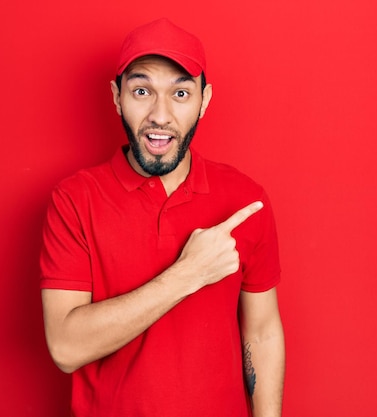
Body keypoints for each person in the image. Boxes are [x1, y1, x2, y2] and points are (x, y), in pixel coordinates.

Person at [40, 18, 285, 417]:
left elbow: (261, 330)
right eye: (141, 91)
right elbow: (66, 348)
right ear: (117, 98)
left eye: (181, 93)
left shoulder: (245, 200)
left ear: (204, 101)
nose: (160, 114)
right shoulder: (74, 199)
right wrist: (188, 274)